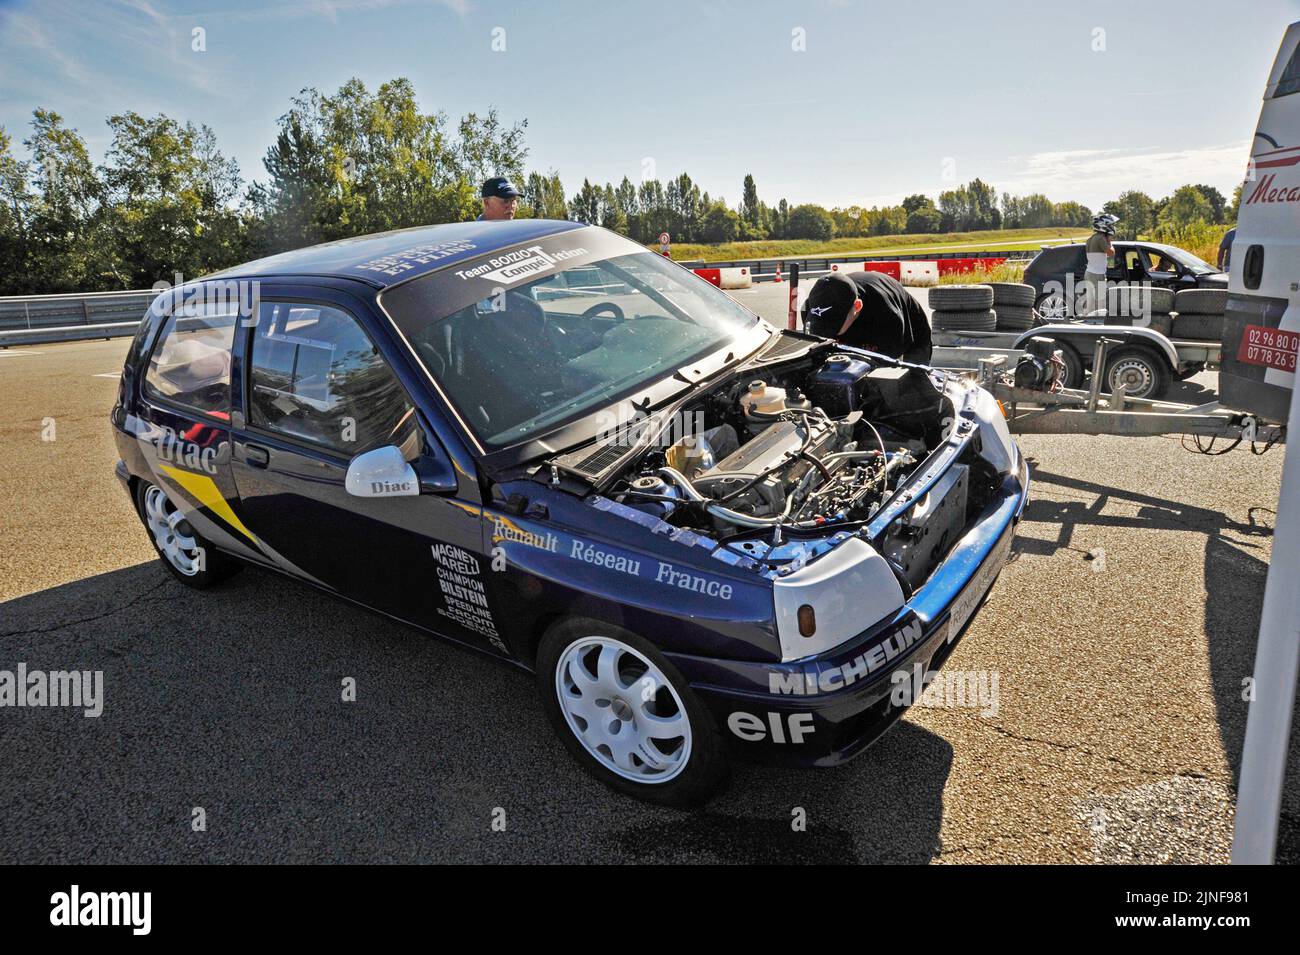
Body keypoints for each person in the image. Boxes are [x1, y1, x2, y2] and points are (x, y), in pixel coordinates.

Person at [802, 270, 932, 364]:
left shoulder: (887, 317)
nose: (828, 331)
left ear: (857, 307)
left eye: (834, 323)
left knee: (912, 384)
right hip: (861, 320)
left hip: (909, 327)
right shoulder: (809, 307)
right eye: (822, 323)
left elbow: (889, 369)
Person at [1082, 213, 1118, 315]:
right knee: (1101, 304)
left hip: (1089, 273)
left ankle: (1086, 321)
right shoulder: (1101, 238)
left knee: (1090, 303)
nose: (1112, 227)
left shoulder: (1091, 239)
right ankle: (1099, 324)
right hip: (1097, 274)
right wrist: (1110, 242)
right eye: (1110, 225)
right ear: (1104, 226)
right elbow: (1111, 253)